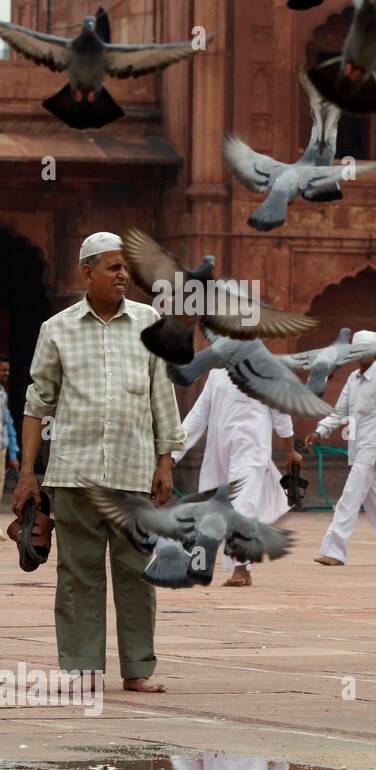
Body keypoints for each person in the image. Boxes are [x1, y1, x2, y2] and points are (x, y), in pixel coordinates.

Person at [13, 231, 184, 693]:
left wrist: (165, 462)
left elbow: (161, 396)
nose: (124, 275)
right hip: (74, 472)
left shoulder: (149, 321)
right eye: (113, 267)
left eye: (126, 267)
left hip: (132, 469)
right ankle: (81, 669)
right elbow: (38, 402)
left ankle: (137, 669)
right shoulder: (58, 328)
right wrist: (28, 475)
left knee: (136, 573)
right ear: (87, 272)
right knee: (78, 574)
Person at [172, 368, 302, 586]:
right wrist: (174, 453)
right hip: (219, 452)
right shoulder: (216, 374)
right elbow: (198, 415)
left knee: (242, 507)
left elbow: (281, 413)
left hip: (251, 451)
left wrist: (290, 450)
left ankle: (242, 568)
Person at [306, 330, 376, 567]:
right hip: (358, 446)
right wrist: (320, 430)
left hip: (374, 446)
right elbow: (339, 412)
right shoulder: (352, 379)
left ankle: (334, 551)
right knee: (375, 500)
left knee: (349, 498)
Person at [0, 355, 21, 488]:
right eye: (3, 370)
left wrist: (13, 454)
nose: (7, 373)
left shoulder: (3, 394)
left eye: (8, 370)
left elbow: (8, 424)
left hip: (1, 450)